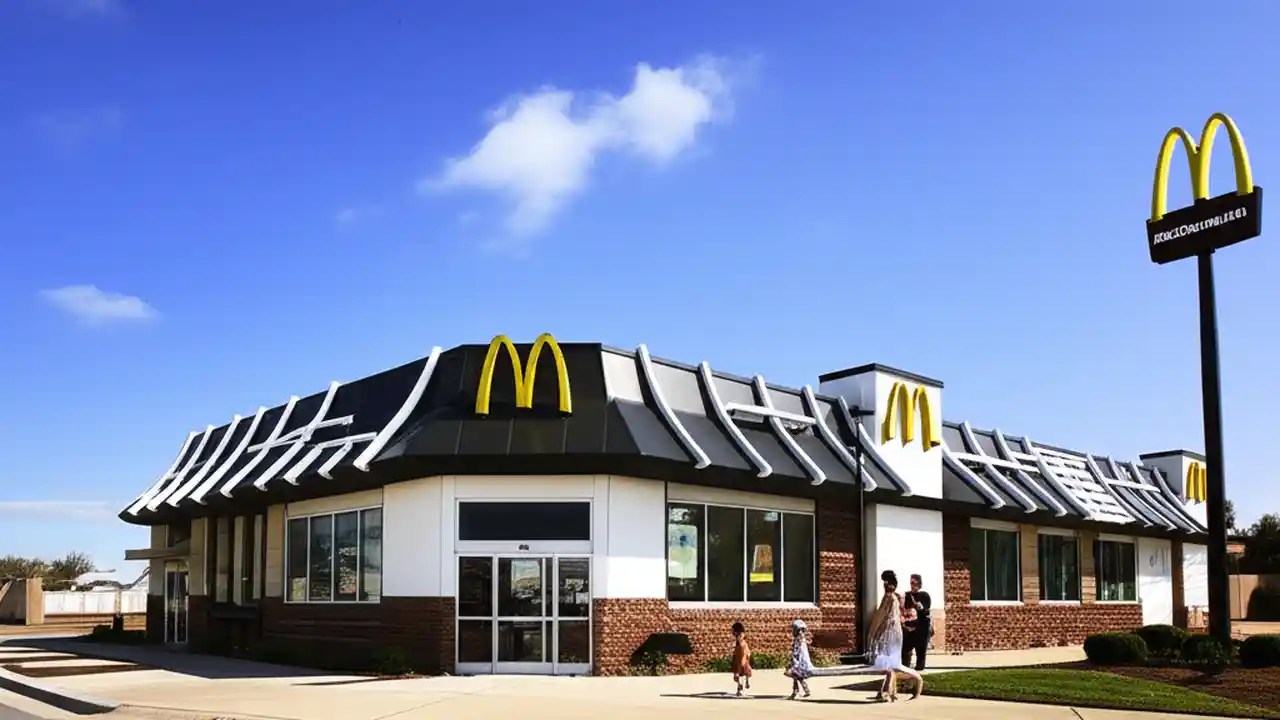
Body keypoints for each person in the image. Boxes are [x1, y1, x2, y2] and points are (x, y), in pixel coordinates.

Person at [866, 570, 924, 702]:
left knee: (890, 665)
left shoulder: (890, 598)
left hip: (890, 636)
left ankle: (912, 681)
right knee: (890, 665)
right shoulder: (893, 598)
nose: (885, 586)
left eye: (886, 583)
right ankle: (890, 691)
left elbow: (881, 618)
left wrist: (872, 634)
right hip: (892, 635)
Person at [902, 573, 932, 671]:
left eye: (914, 583)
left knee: (920, 651)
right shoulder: (907, 595)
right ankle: (905, 666)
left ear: (919, 584)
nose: (912, 585)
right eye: (911, 583)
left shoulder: (924, 595)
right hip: (910, 626)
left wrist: (918, 606)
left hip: (922, 627)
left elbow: (926, 610)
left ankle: (919, 667)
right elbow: (903, 608)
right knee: (905, 649)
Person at [783, 619, 815, 699]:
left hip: (799, 662)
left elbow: (798, 652)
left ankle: (798, 692)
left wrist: (795, 661)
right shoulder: (801, 639)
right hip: (799, 661)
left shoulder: (799, 640)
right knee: (797, 677)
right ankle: (801, 691)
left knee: (797, 676)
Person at [731, 621, 752, 696]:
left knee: (741, 672)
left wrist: (743, 660)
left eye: (733, 630)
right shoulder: (740, 640)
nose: (732, 632)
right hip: (740, 657)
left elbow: (744, 652)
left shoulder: (741, 641)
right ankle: (741, 687)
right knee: (740, 672)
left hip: (741, 658)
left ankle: (740, 688)